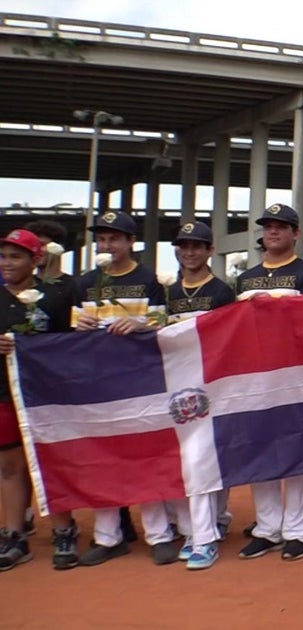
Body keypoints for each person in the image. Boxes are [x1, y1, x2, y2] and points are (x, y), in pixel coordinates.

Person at [72, 210, 177, 567]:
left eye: (114, 238)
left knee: (144, 456)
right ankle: (107, 537)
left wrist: (140, 323)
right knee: (102, 459)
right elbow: (69, 333)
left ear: (131, 242)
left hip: (139, 382)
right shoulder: (84, 282)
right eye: (102, 238)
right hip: (97, 384)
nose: (107, 244)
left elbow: (164, 325)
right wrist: (79, 326)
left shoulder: (149, 280)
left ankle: (159, 534)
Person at [235, 203, 303, 562]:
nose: (273, 232)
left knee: (294, 449)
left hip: (294, 372)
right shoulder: (245, 277)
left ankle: (300, 530)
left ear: (296, 233)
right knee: (261, 449)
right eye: (268, 226)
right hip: (254, 372)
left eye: (282, 227)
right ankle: (268, 528)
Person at [0, 230, 80, 572]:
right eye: (3, 256)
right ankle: (14, 535)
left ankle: (64, 530)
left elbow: (74, 342)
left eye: (15, 256)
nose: (7, 263)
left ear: (36, 260)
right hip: (3, 394)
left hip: (47, 396)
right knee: (9, 467)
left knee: (50, 462)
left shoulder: (56, 297)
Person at [165, 221, 236, 570]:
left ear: (210, 250)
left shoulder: (222, 291)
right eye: (183, 245)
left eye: (197, 245)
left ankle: (203, 535)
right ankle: (206, 523)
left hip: (211, 384)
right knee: (185, 458)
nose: (189, 252)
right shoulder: (167, 291)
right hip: (175, 385)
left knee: (203, 457)